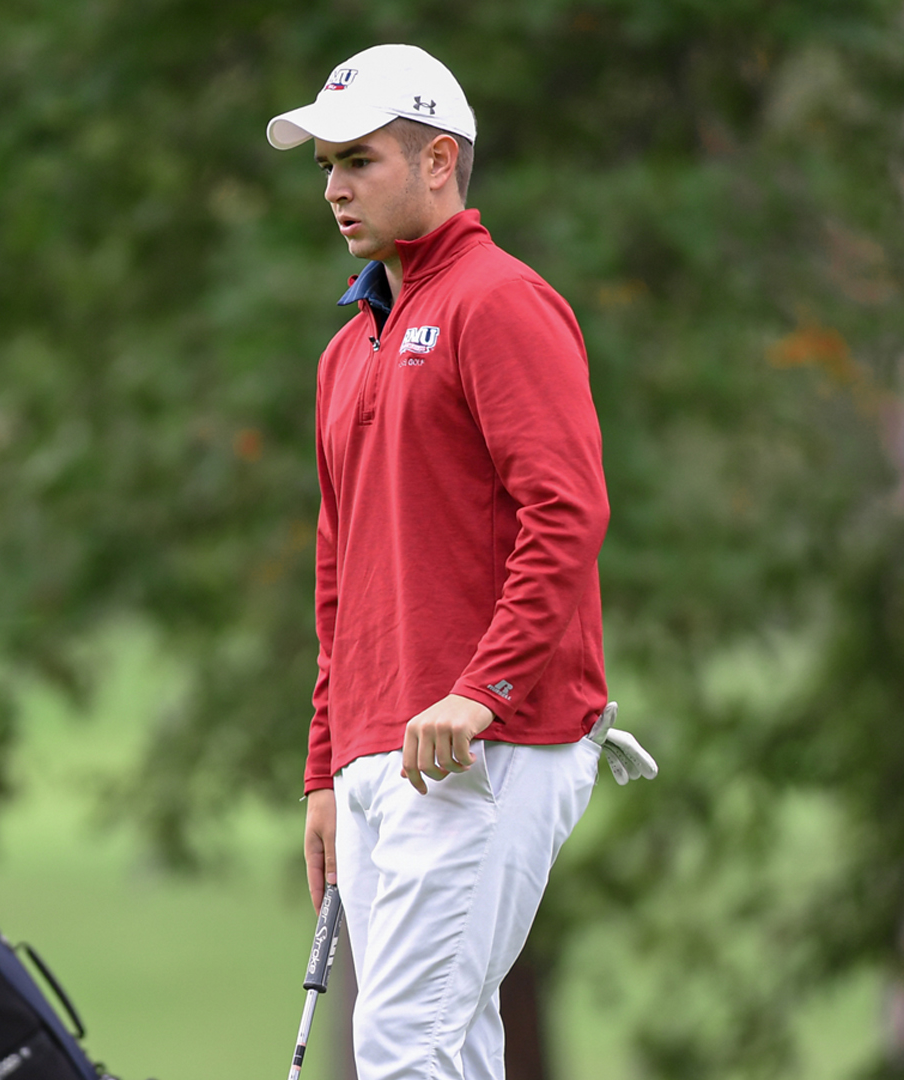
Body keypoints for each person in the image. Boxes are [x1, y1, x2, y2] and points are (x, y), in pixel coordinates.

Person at [269, 44, 612, 1080]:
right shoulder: (349, 349)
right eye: (326, 163)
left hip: (487, 741)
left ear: (438, 162)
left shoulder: (498, 301)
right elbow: (341, 575)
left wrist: (484, 689)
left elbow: (567, 510)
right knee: (440, 1048)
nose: (333, 187)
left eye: (360, 159)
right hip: (380, 749)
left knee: (406, 1048)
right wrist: (325, 765)